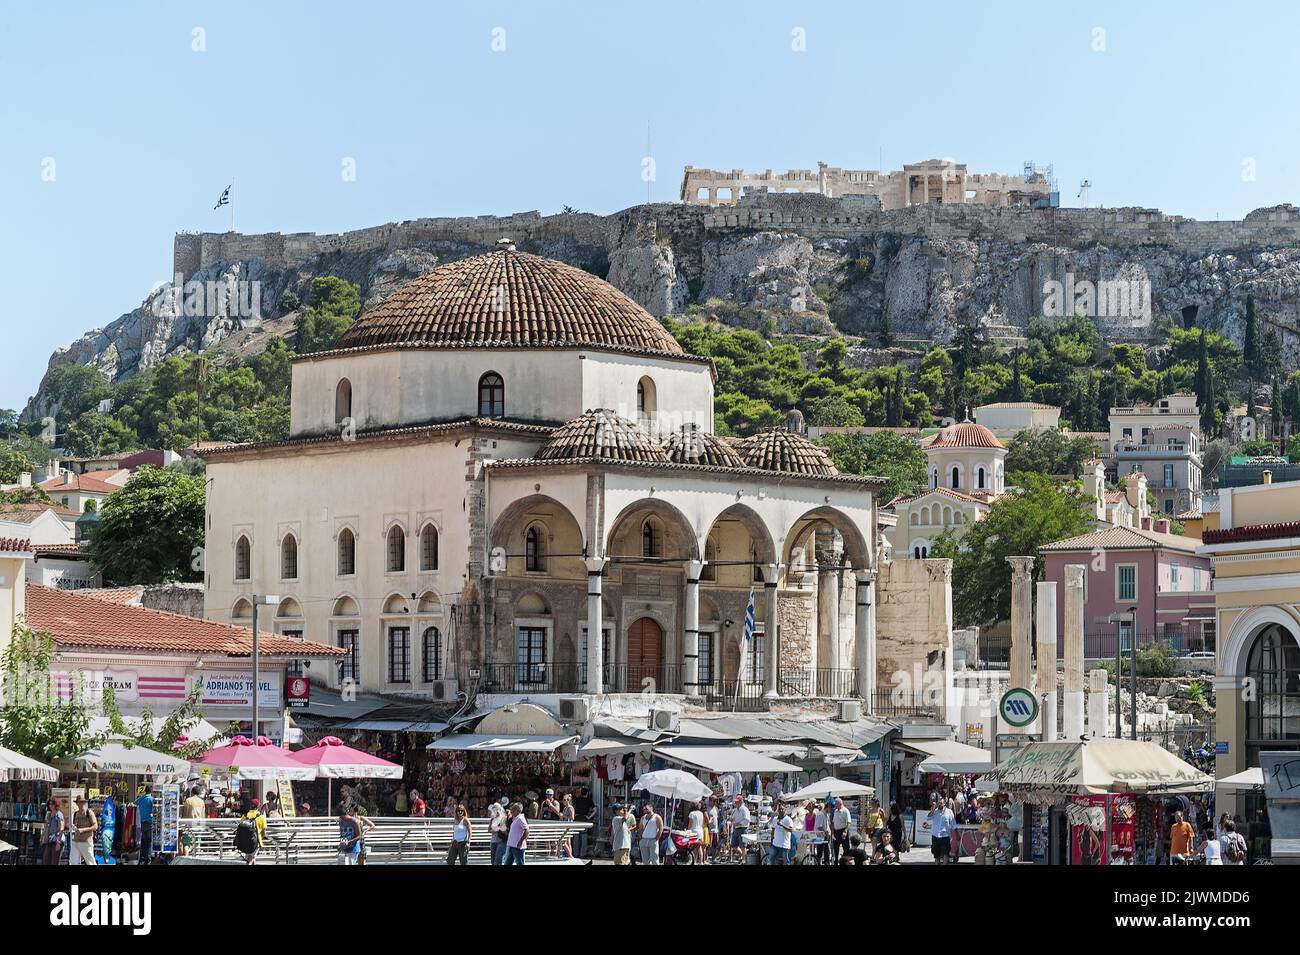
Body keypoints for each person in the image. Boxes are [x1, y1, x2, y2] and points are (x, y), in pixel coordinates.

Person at [70, 795, 98, 866]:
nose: (82, 804)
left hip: (86, 842)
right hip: (76, 841)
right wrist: (73, 827)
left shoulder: (89, 812)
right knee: (73, 862)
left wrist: (83, 830)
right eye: (80, 802)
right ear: (77, 803)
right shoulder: (76, 813)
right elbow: (75, 825)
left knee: (90, 862)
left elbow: (95, 826)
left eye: (83, 802)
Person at [928, 795, 955, 865]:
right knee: (936, 856)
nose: (939, 804)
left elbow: (953, 825)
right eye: (938, 803)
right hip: (935, 836)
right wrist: (933, 808)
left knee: (946, 854)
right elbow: (928, 818)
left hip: (945, 836)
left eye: (941, 803)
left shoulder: (949, 812)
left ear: (944, 803)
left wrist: (955, 836)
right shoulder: (935, 811)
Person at [238, 798, 267, 865]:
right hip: (255, 841)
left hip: (245, 841)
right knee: (250, 859)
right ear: (258, 806)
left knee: (252, 858)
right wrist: (260, 838)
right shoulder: (261, 817)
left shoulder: (245, 816)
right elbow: (263, 832)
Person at [639, 801, 664, 865]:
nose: (645, 810)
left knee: (654, 859)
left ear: (651, 808)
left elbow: (661, 828)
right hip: (644, 839)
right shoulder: (643, 817)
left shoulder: (657, 817)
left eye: (646, 808)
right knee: (645, 860)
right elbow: (641, 828)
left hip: (653, 840)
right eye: (644, 809)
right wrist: (640, 838)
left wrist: (657, 838)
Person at [43, 797, 66, 866]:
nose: (51, 805)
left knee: (54, 861)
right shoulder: (48, 814)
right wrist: (42, 837)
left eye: (53, 804)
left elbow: (61, 828)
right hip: (50, 839)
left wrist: (58, 842)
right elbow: (46, 827)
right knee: (46, 859)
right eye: (49, 804)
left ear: (56, 805)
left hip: (57, 840)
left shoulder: (59, 814)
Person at [729, 794, 751, 863]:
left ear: (741, 801)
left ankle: (744, 859)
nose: (735, 803)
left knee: (743, 845)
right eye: (735, 802)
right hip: (736, 829)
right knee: (733, 845)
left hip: (743, 829)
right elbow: (734, 818)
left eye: (737, 802)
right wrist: (731, 819)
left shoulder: (745, 809)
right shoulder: (736, 810)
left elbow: (747, 820)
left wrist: (738, 823)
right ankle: (743, 856)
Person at [136, 785, 155, 864]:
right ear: (151, 791)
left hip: (140, 823)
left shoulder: (141, 798)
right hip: (149, 823)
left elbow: (134, 803)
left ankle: (141, 860)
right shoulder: (152, 799)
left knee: (143, 842)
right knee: (148, 842)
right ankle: (147, 861)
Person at [830, 796, 852, 863]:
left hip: (843, 831)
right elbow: (833, 822)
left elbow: (849, 822)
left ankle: (845, 861)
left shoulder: (845, 811)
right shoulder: (835, 811)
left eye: (836, 804)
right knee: (835, 848)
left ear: (840, 803)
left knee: (846, 848)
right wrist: (832, 832)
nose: (835, 805)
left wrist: (845, 831)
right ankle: (836, 861)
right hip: (836, 832)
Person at [488, 799, 510, 866]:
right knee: (493, 859)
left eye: (497, 809)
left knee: (498, 859)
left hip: (501, 841)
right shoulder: (492, 819)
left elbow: (505, 828)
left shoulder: (503, 818)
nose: (495, 811)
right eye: (494, 809)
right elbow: (489, 830)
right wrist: (496, 829)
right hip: (493, 841)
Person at [559, 793, 576, 859]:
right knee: (568, 842)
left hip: (568, 826)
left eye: (564, 800)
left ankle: (570, 856)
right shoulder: (565, 808)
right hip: (565, 826)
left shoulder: (570, 808)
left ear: (568, 801)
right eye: (563, 800)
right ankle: (570, 855)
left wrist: (563, 816)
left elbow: (572, 817)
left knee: (563, 841)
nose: (563, 801)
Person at [706, 796, 721, 862]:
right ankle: (705, 858)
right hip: (709, 829)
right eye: (714, 801)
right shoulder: (707, 808)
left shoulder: (716, 808)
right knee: (708, 845)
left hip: (716, 829)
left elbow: (717, 818)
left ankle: (713, 858)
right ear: (710, 801)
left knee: (715, 845)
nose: (715, 802)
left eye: (716, 801)